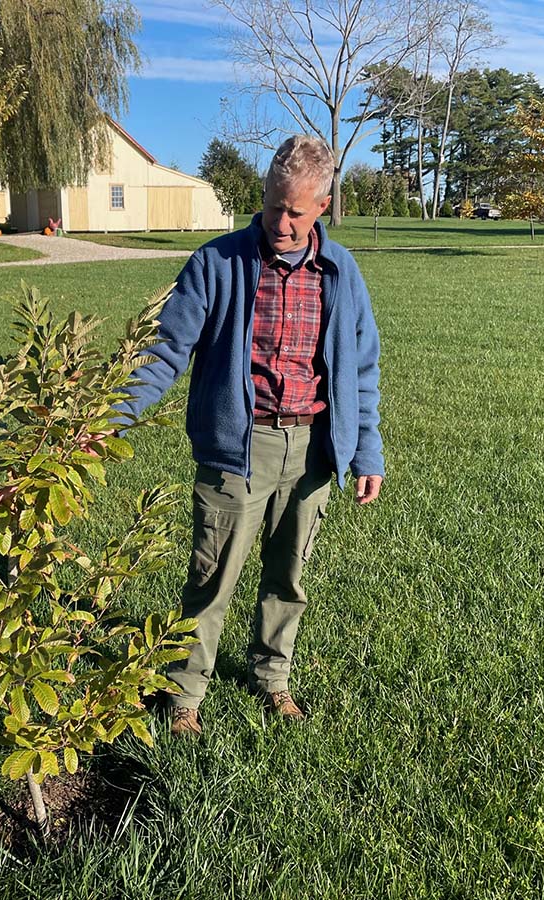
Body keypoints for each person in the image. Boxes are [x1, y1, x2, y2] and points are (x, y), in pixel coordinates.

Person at [118, 136, 385, 737]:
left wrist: (365, 450)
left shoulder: (342, 273)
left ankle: (273, 679)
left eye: (295, 211)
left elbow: (361, 370)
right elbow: (164, 352)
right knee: (213, 577)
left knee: (288, 576)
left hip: (313, 448)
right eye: (271, 207)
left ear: (322, 205)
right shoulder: (217, 264)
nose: (281, 223)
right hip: (239, 448)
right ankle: (186, 693)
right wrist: (109, 418)